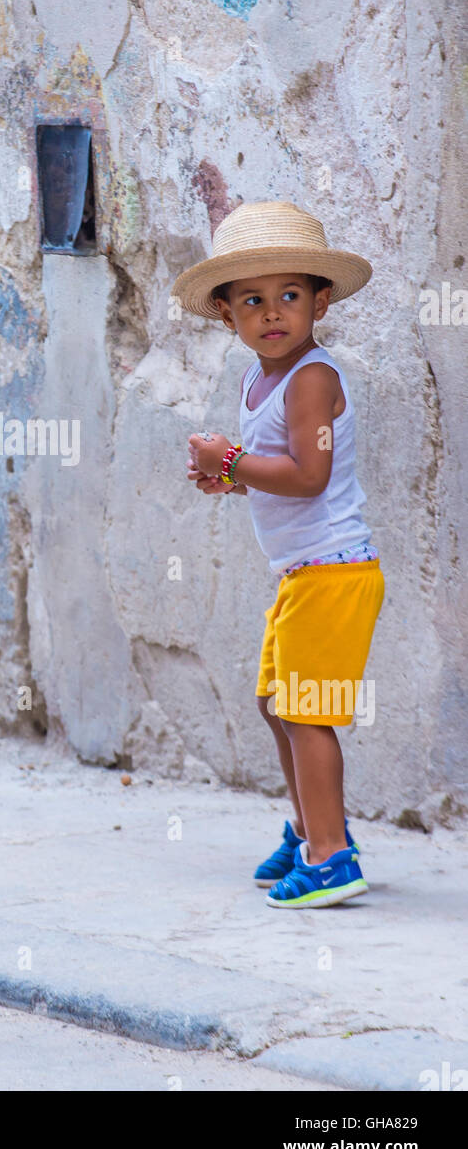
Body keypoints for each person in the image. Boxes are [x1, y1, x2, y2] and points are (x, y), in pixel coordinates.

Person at [172, 200, 385, 908]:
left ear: (319, 302)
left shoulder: (312, 379)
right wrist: (228, 478)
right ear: (227, 316)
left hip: (334, 570)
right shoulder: (257, 381)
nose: (271, 313)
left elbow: (308, 477)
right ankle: (309, 829)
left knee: (306, 710)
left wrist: (229, 458)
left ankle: (330, 858)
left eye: (288, 296)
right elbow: (273, 477)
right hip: (302, 574)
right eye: (252, 301)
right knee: (276, 703)